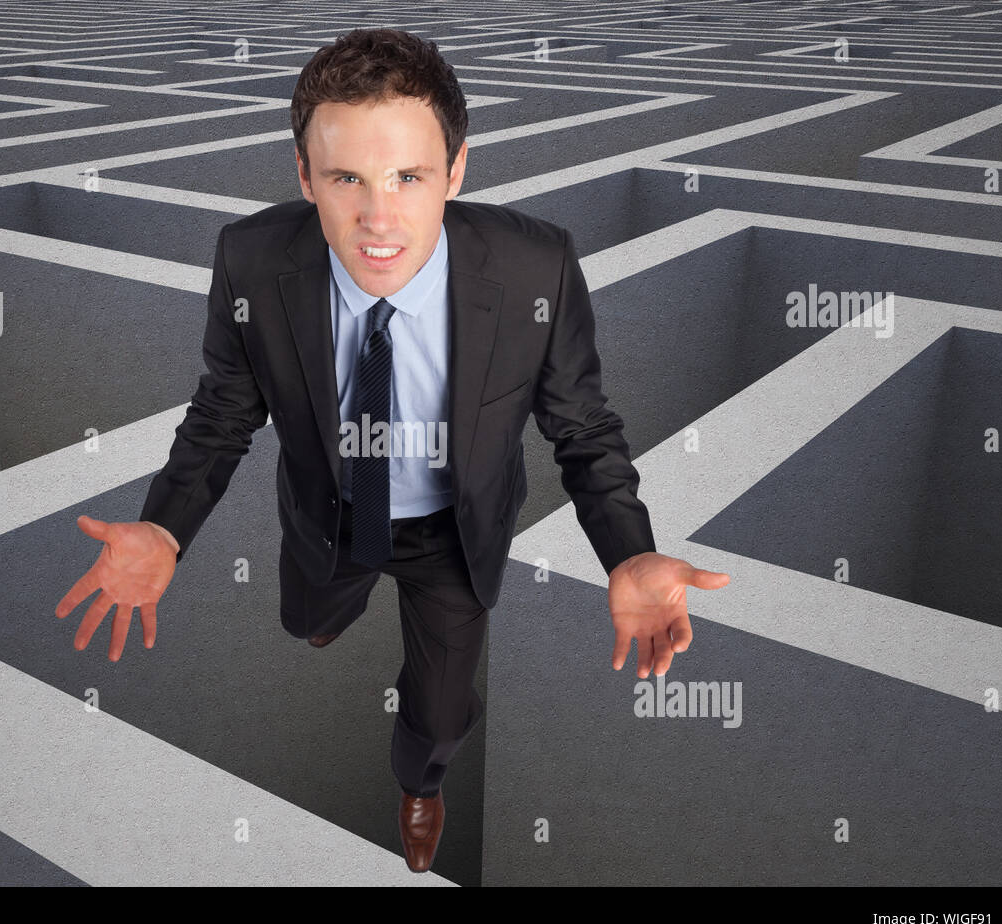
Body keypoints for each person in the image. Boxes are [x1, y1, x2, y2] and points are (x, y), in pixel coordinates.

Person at [55, 28, 730, 874]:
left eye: (409, 177)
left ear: (456, 170)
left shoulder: (536, 268)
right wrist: (166, 527)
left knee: (443, 714)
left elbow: (582, 426)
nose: (379, 219)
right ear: (305, 177)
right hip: (327, 518)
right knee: (310, 617)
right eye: (346, 179)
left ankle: (420, 784)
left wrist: (627, 551)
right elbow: (224, 412)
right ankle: (332, 614)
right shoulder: (251, 261)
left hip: (455, 532)